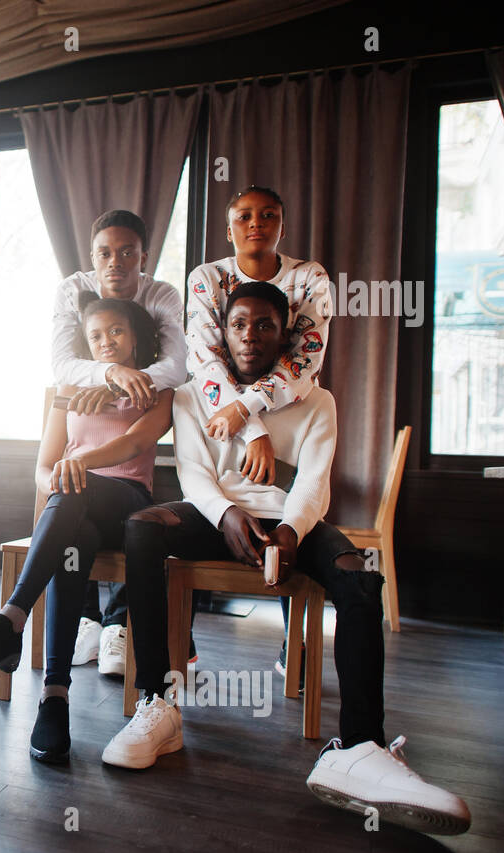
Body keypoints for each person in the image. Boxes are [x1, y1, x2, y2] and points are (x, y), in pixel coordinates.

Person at [105, 281, 470, 835]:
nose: (251, 335)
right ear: (222, 335)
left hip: (292, 522)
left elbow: (314, 485)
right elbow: (194, 477)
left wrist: (292, 534)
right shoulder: (191, 395)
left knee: (358, 577)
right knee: (142, 526)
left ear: (286, 336)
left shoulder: (316, 399)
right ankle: (157, 704)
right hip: (215, 514)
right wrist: (227, 516)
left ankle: (360, 748)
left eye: (265, 326)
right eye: (239, 325)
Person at [0, 293, 173, 764]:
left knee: (73, 494)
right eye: (95, 335)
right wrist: (60, 477)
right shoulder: (68, 388)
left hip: (128, 508)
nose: (106, 341)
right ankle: (55, 698)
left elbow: (135, 441)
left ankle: (11, 619)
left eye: (116, 331)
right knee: (75, 536)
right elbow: (42, 466)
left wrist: (73, 467)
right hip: (74, 508)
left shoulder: (157, 387)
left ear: (134, 336)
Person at [187, 185, 334, 679]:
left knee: (291, 498)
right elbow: (205, 361)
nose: (256, 223)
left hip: (288, 403)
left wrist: (249, 407)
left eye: (268, 215)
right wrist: (251, 430)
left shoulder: (309, 276)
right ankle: (175, 646)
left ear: (282, 226)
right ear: (229, 229)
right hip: (220, 409)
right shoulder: (208, 279)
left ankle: (297, 643)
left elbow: (305, 360)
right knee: (207, 492)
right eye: (244, 216)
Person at [50, 210, 188, 674]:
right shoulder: (73, 290)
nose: (116, 263)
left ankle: (113, 622)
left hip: (134, 436)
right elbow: (63, 365)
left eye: (127, 253)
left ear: (143, 257)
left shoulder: (161, 295)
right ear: (92, 257)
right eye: (105, 253)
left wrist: (116, 385)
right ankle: (89, 622)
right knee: (76, 513)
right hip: (85, 425)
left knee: (133, 513)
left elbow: (176, 367)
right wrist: (108, 370)